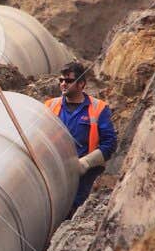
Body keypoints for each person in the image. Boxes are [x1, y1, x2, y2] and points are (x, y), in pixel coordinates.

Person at [45, 60, 116, 208]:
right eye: (61, 80)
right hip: (55, 173)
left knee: (74, 211)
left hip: (84, 177)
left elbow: (109, 144)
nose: (63, 84)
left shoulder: (98, 108)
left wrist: (85, 163)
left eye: (69, 81)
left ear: (81, 84)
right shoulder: (50, 105)